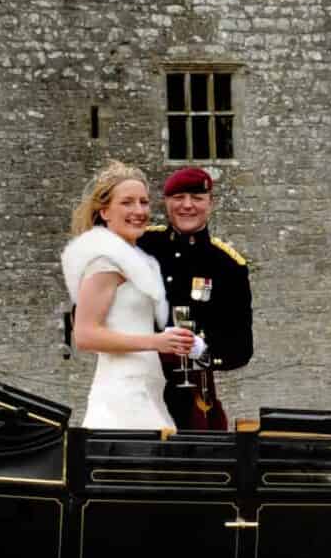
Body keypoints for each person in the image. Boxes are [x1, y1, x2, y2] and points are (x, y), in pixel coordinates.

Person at [60, 161, 196, 432]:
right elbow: (85, 335)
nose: (139, 211)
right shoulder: (105, 262)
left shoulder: (136, 261)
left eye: (144, 202)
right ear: (105, 211)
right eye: (127, 203)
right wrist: (156, 342)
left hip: (146, 386)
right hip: (121, 394)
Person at [138, 166, 254, 432]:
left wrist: (203, 351)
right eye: (178, 198)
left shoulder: (228, 266)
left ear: (210, 203)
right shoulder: (142, 246)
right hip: (138, 387)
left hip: (190, 398)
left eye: (197, 198)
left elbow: (241, 348)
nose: (187, 206)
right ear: (166, 202)